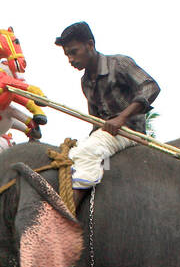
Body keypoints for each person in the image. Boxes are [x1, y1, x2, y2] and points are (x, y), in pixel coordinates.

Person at [54, 20, 159, 189]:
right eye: (67, 55)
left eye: (74, 52)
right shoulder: (85, 82)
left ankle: (68, 213)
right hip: (106, 138)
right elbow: (96, 121)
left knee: (86, 153)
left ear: (90, 45)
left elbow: (150, 87)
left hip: (130, 133)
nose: (71, 60)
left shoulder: (119, 63)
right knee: (73, 157)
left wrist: (121, 118)